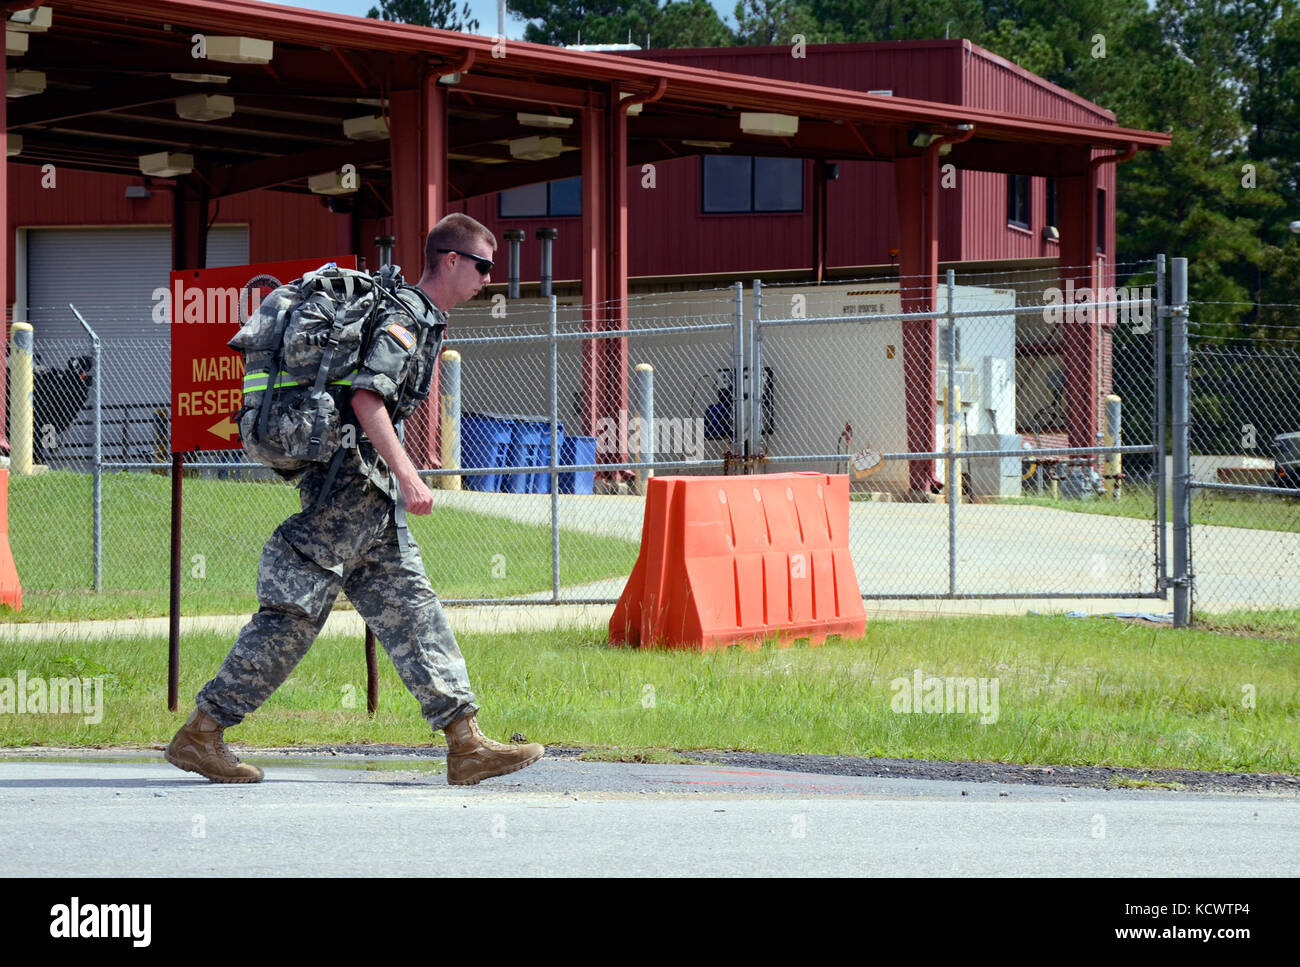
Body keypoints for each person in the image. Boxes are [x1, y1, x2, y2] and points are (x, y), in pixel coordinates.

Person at [165, 213, 544, 786]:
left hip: (364, 492)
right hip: (348, 491)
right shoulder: (405, 316)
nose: (489, 278)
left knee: (413, 611)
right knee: (292, 616)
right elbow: (368, 401)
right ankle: (202, 731)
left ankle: (464, 742)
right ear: (450, 260)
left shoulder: (418, 316)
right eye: (483, 265)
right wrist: (411, 477)